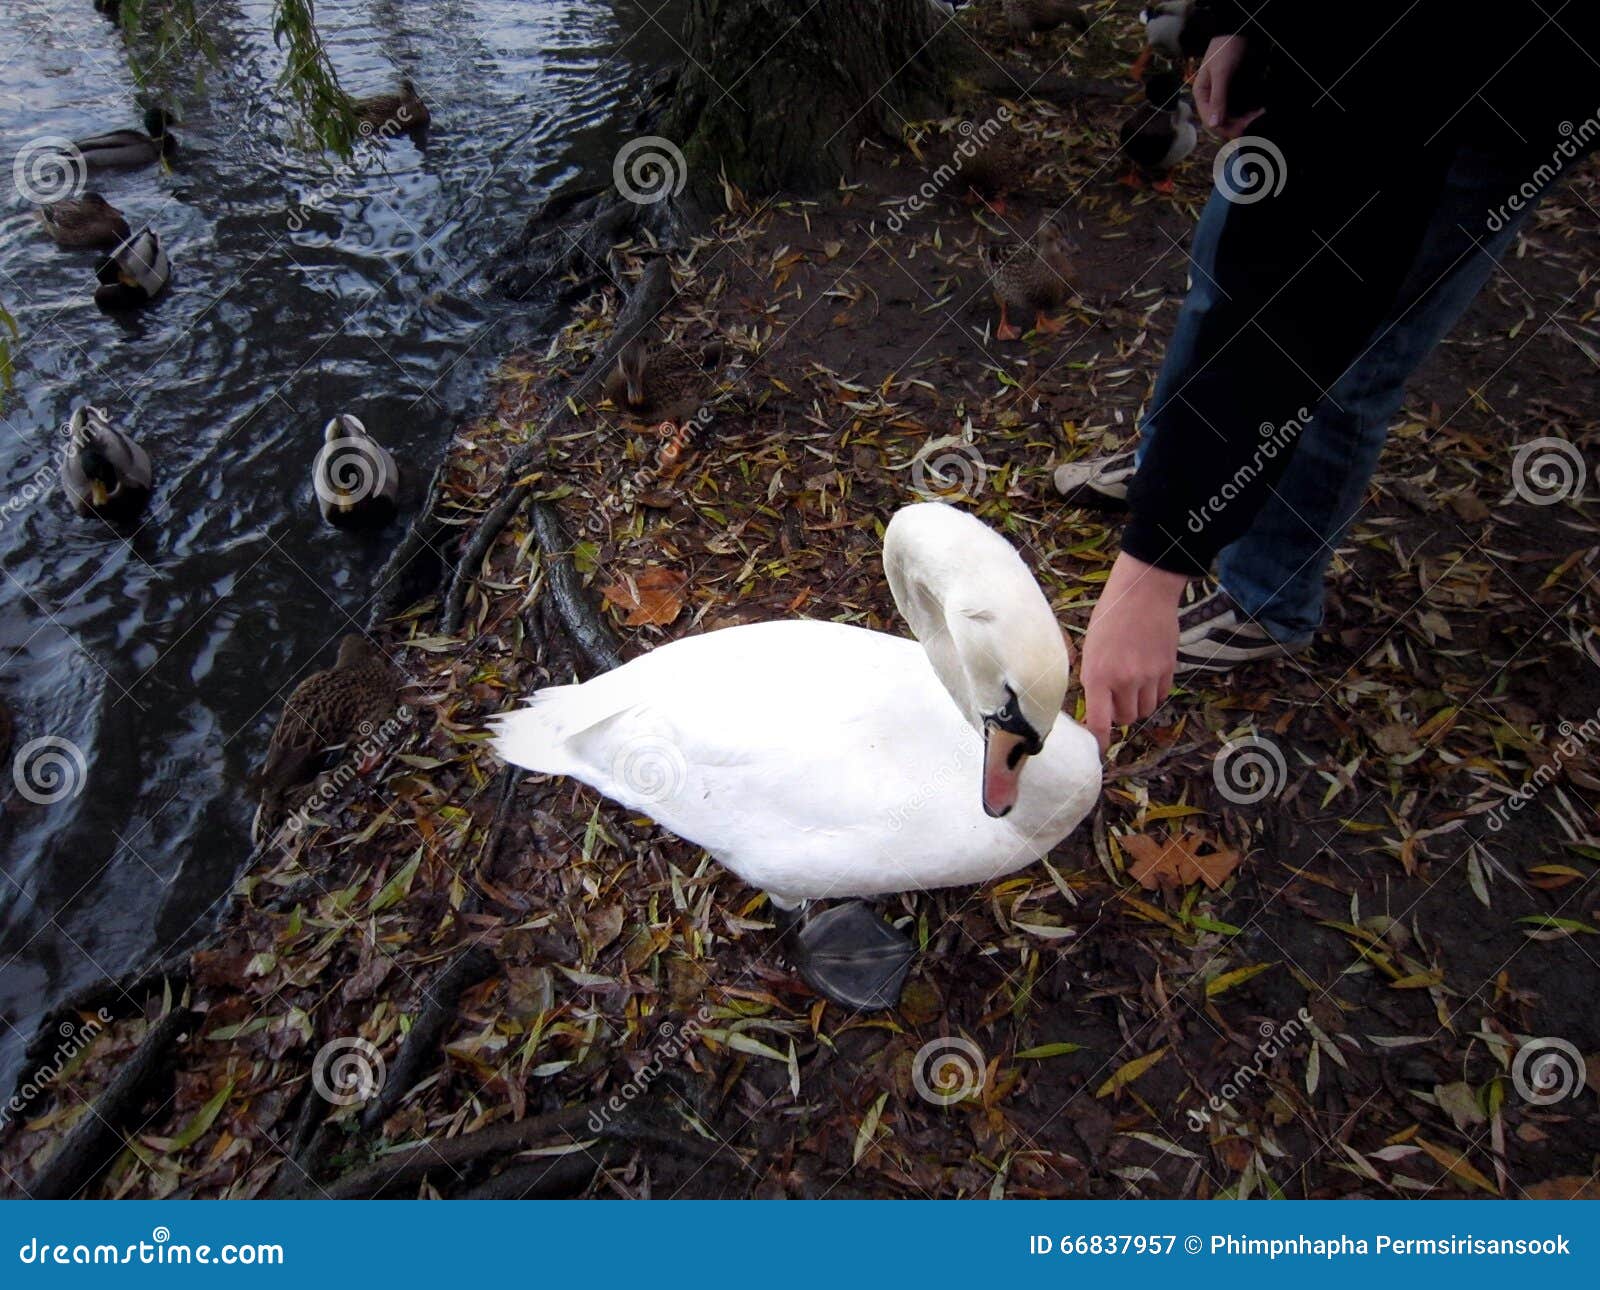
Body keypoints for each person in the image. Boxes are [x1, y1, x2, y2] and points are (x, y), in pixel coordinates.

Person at [1058, 1, 1600, 748]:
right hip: (1342, 54)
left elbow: (1300, 290)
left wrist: (1154, 567)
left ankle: (1270, 595)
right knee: (1224, 268)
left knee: (1351, 355)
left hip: (1488, 87)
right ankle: (1174, 467)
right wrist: (1236, 20)